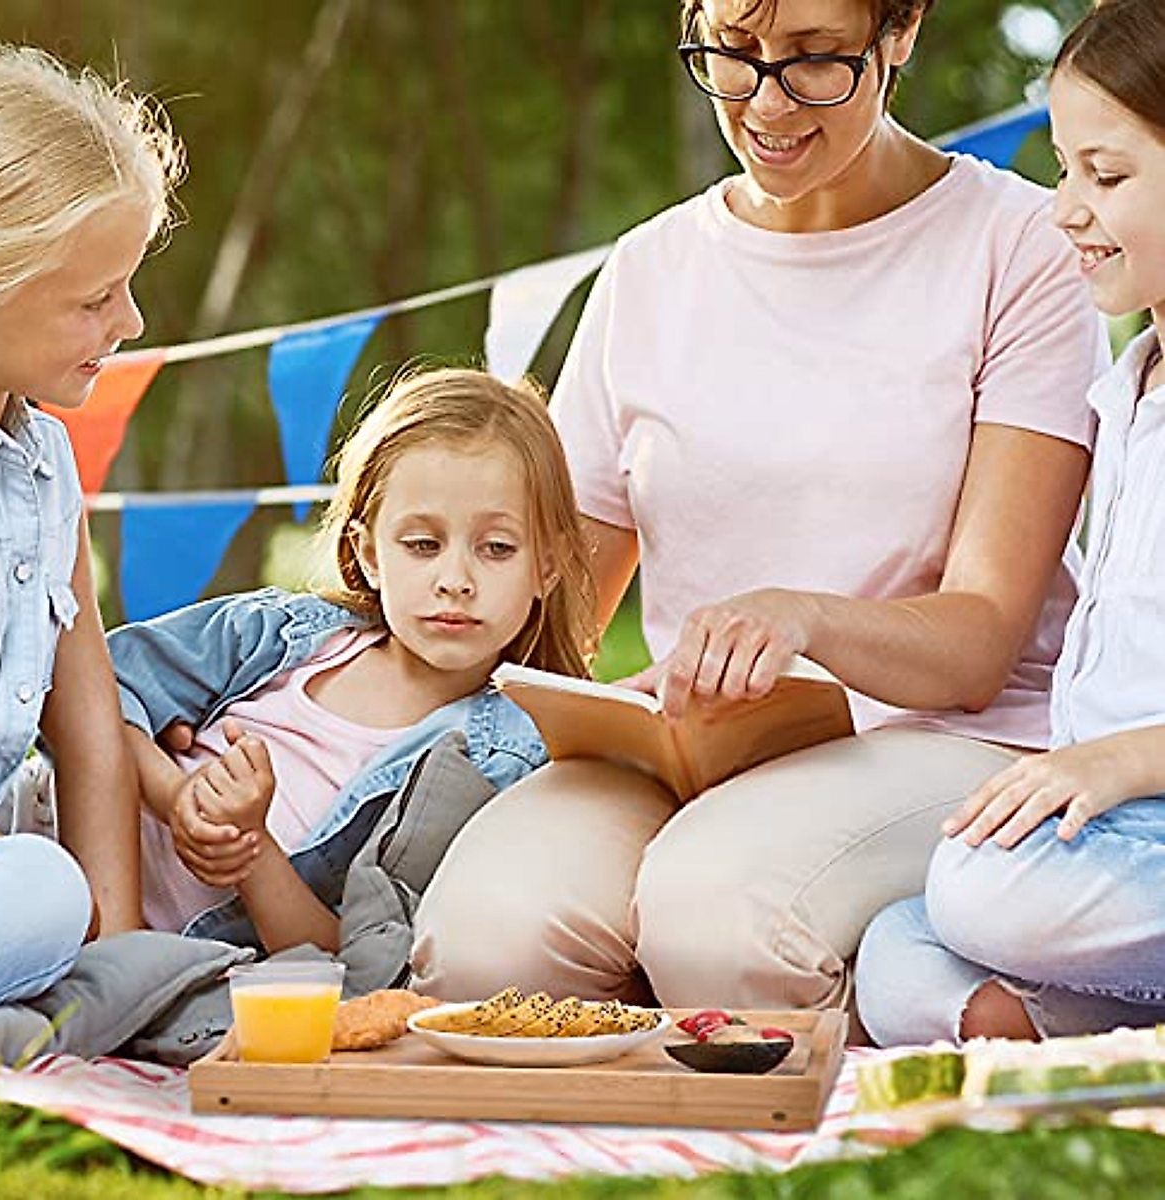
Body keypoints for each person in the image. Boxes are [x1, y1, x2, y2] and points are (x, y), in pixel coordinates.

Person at [410, 0, 1110, 1015]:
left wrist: (802, 619)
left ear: (901, 29)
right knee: (483, 946)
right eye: (733, 53)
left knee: (719, 921)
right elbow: (552, 605)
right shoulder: (649, 269)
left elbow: (980, 644)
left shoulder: (1020, 250)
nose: (767, 102)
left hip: (948, 737)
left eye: (816, 59)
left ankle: (923, 995)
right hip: (692, 750)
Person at [856, 0, 1165, 1047]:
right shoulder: (1126, 391)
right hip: (1118, 839)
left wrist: (1119, 762)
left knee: (984, 893)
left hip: (1142, 808)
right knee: (898, 952)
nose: (1064, 209)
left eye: (1106, 176)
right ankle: (1113, 1026)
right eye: (1065, 170)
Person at [109, 368, 597, 967]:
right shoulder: (279, 635)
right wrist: (175, 794)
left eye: (496, 548)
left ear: (546, 566)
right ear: (369, 553)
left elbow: (361, 962)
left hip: (175, 974)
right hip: (47, 835)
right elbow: (92, 689)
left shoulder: (495, 763)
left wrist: (249, 848)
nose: (455, 581)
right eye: (422, 544)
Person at [0, 41, 183, 1010]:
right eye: (95, 300)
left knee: (47, 898)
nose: (130, 323)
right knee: (41, 894)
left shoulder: (46, 467)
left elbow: (88, 724)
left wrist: (120, 948)